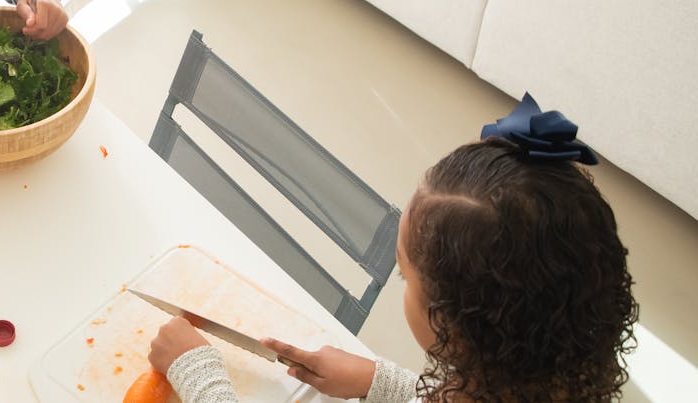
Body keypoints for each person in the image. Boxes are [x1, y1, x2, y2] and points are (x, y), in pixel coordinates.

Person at [148, 95, 639, 402]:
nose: (398, 282)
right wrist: (376, 380)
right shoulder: (544, 377)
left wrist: (201, 375)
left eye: (406, 276)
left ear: (451, 323)